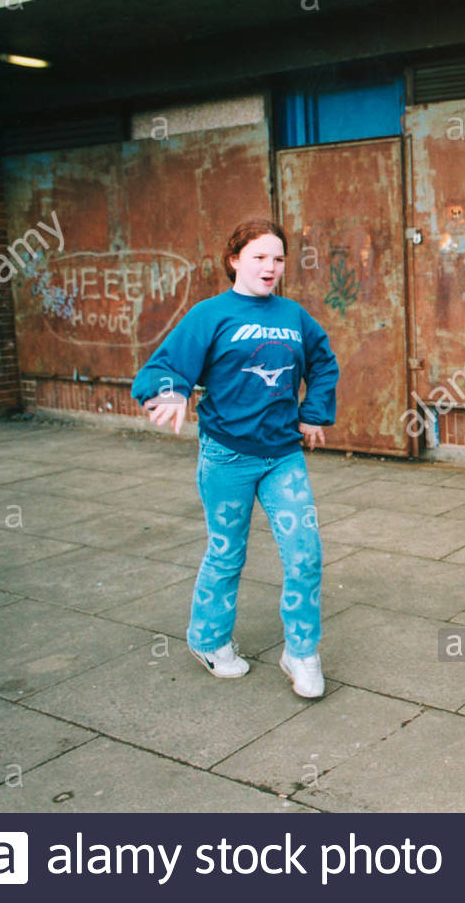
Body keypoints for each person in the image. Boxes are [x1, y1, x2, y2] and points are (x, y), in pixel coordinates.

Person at [131, 218, 340, 699]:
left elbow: (324, 361)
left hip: (283, 456)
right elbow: (164, 366)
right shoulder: (211, 315)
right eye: (259, 257)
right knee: (227, 553)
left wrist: (314, 413)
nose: (270, 267)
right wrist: (171, 392)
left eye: (279, 259)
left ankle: (301, 652)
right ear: (235, 261)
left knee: (305, 555)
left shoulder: (293, 316)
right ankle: (209, 641)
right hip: (226, 457)